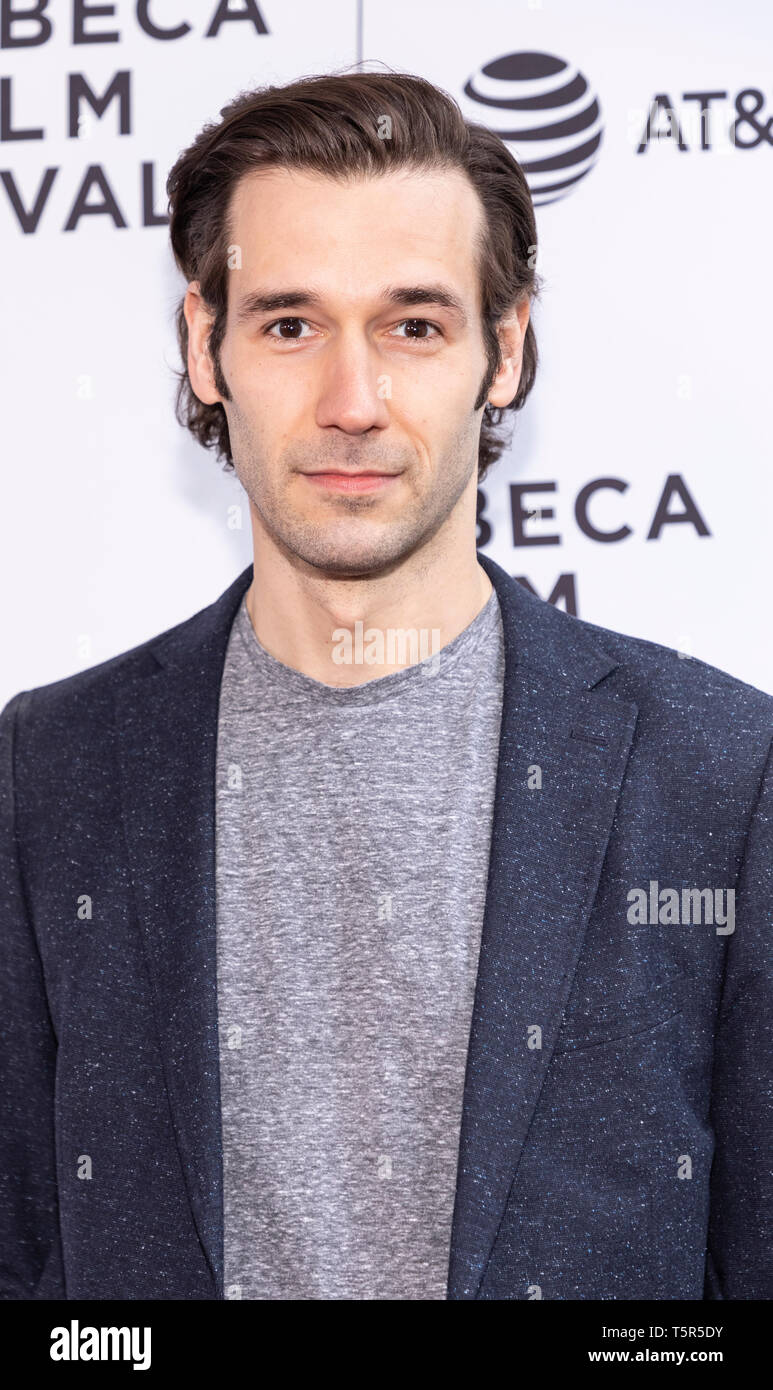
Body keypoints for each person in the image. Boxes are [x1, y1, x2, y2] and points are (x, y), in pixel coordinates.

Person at [1, 70, 771, 1302]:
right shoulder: (53, 770)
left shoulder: (716, 773)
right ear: (205, 349)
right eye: (289, 324)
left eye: (412, 325)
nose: (351, 404)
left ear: (502, 350)